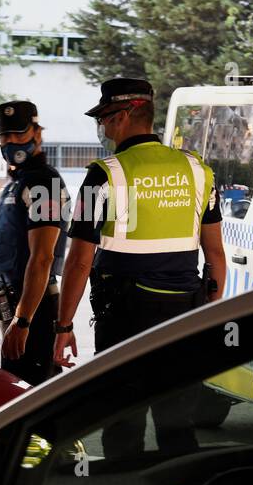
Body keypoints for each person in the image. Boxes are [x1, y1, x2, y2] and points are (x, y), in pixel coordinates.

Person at [52, 77, 226, 457]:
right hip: (185, 315)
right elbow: (215, 256)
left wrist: (64, 326)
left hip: (125, 320)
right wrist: (209, 317)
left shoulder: (103, 175)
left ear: (127, 115)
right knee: (178, 429)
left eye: (106, 117)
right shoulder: (198, 172)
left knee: (123, 426)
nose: (103, 127)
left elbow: (80, 259)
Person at [0, 100, 69, 386]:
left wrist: (23, 320)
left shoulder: (43, 182)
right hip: (15, 302)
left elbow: (42, 259)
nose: (12, 142)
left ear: (37, 134)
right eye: (5, 137)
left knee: (30, 394)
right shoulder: (17, 182)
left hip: (34, 308)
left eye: (20, 134)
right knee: (18, 385)